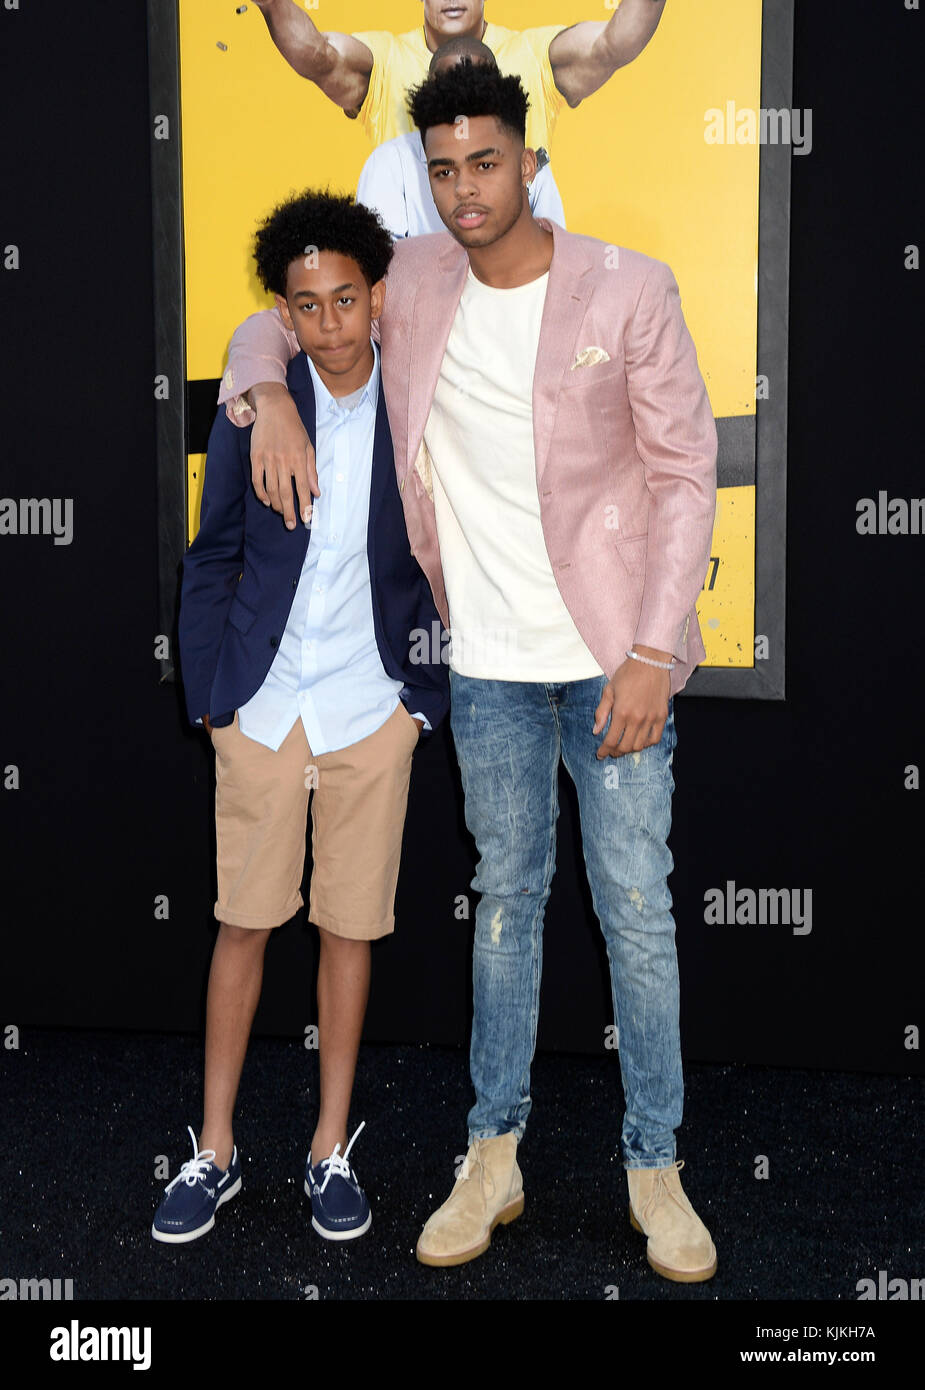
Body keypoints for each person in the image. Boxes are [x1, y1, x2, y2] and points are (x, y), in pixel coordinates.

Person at [217, 61, 718, 1282]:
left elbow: (685, 472)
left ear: (529, 163)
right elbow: (281, 305)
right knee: (503, 910)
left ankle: (656, 1164)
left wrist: (653, 651)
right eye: (440, 168)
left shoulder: (627, 285)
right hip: (484, 669)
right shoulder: (420, 276)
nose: (462, 188)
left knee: (637, 912)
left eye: (484, 163)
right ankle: (492, 1156)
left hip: (613, 662)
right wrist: (261, 391)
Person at [153, 190, 449, 1245]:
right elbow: (213, 553)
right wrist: (214, 700)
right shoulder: (259, 404)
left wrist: (422, 701)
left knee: (348, 929)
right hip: (267, 705)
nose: (328, 324)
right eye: (305, 306)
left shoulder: (423, 400)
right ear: (284, 311)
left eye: (345, 301)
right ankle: (216, 1151)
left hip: (374, 707)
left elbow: (448, 559)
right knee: (242, 923)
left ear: (378, 298)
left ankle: (330, 1148)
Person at [252, 0, 666, 153]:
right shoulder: (386, 58)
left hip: (515, 283)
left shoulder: (532, 53)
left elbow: (614, 44)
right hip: (414, 287)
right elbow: (318, 56)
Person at [357, 35, 565, 238]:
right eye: (445, 172)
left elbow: (555, 253)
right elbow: (378, 263)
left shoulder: (530, 165)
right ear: (428, 89)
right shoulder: (388, 162)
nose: (463, 93)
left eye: (477, 83)